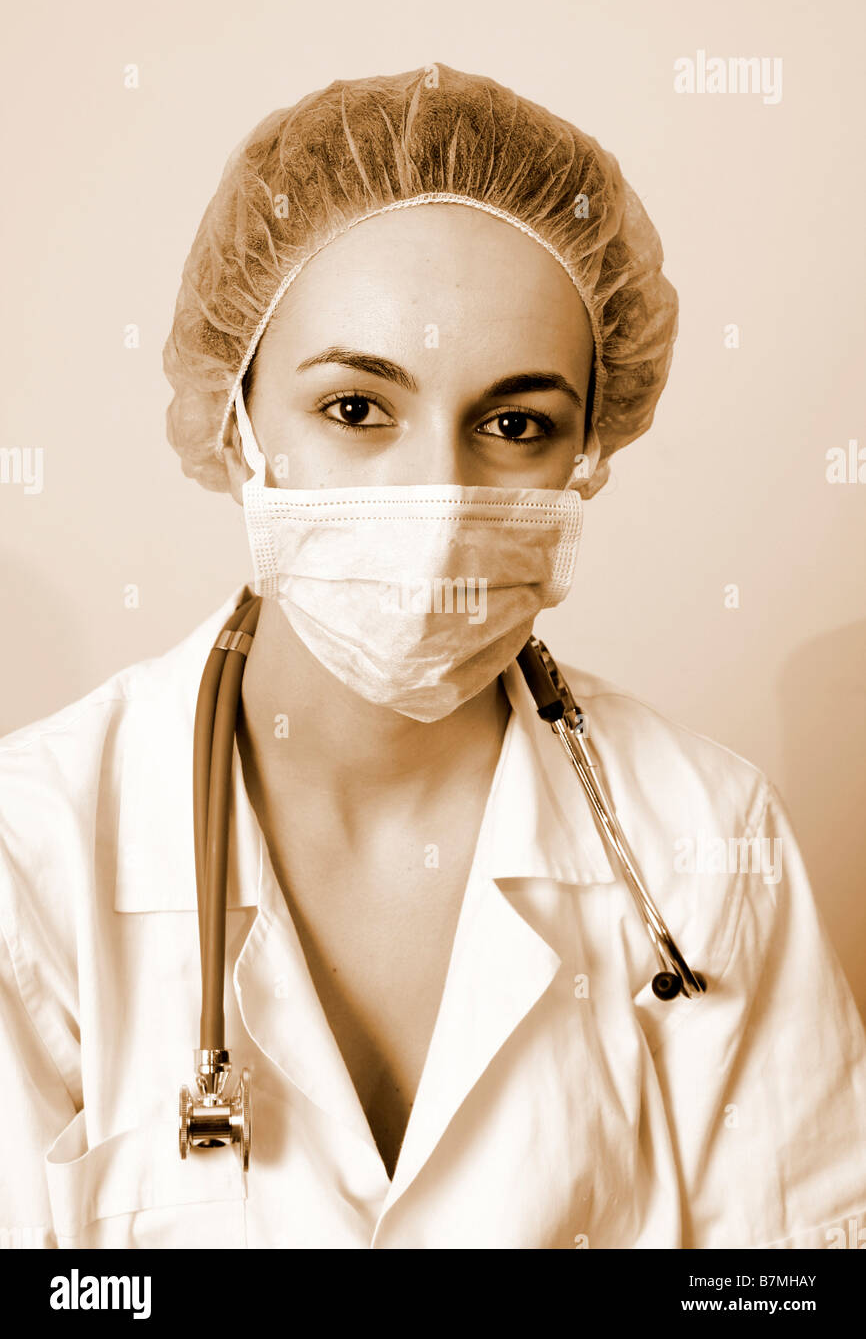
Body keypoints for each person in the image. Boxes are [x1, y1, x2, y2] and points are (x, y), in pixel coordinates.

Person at [1, 63, 864, 1250]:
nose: (441, 502)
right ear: (237, 422)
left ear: (587, 458)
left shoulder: (705, 839)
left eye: (514, 425)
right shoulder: (29, 853)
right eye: (356, 408)